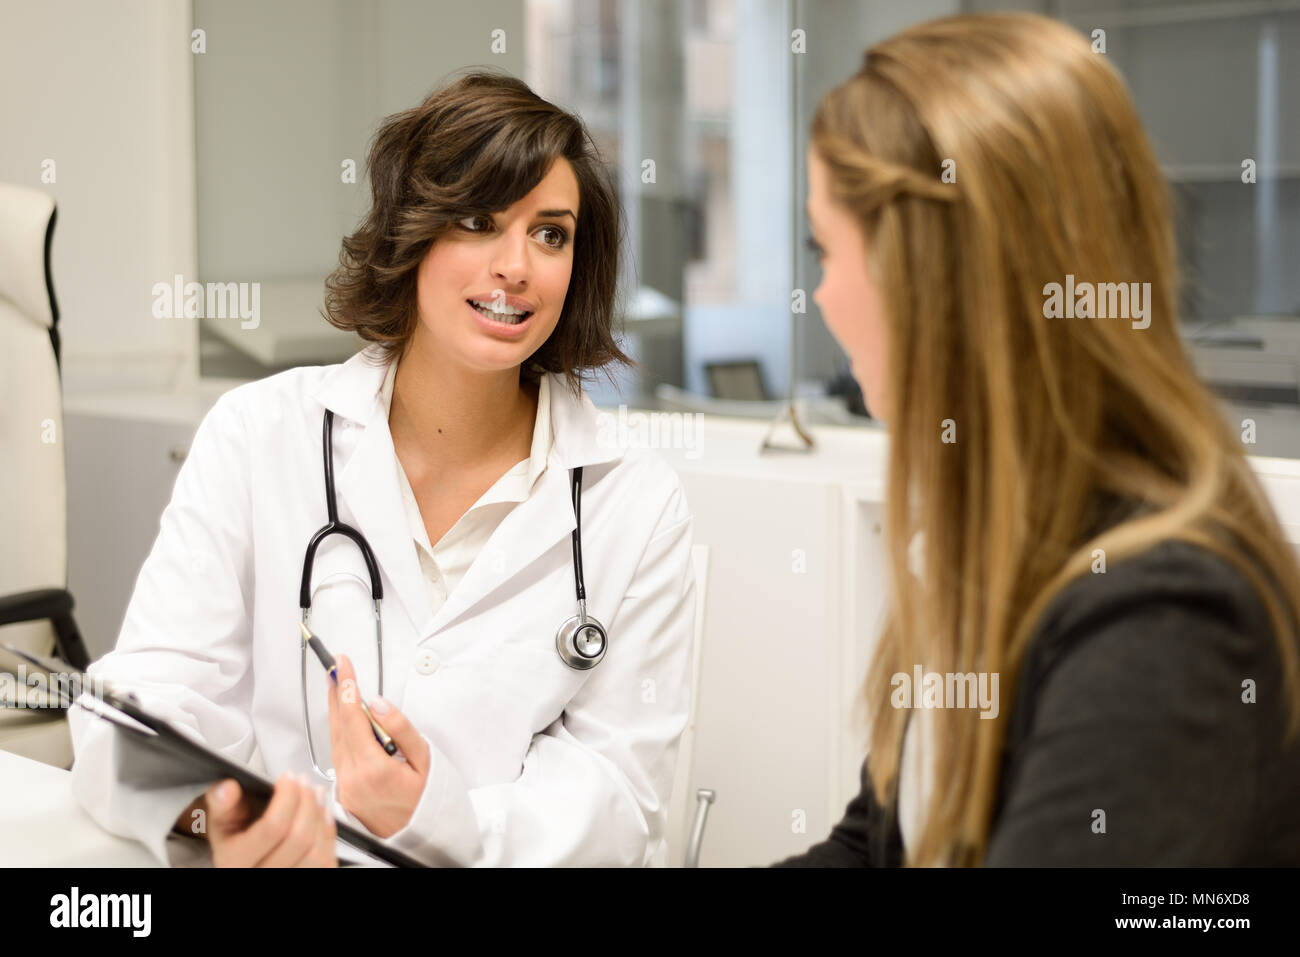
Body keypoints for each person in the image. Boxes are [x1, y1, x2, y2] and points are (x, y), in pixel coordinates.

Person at [68, 70, 696, 868]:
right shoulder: (259, 436)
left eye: (551, 233)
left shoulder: (632, 503)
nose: (517, 267)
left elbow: (617, 801)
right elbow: (139, 696)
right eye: (478, 220)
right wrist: (210, 811)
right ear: (412, 230)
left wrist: (436, 821)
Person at [777, 11, 1300, 866]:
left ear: (929, 276)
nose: (823, 297)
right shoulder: (991, 538)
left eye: (824, 251)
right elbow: (872, 847)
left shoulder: (1167, 618)